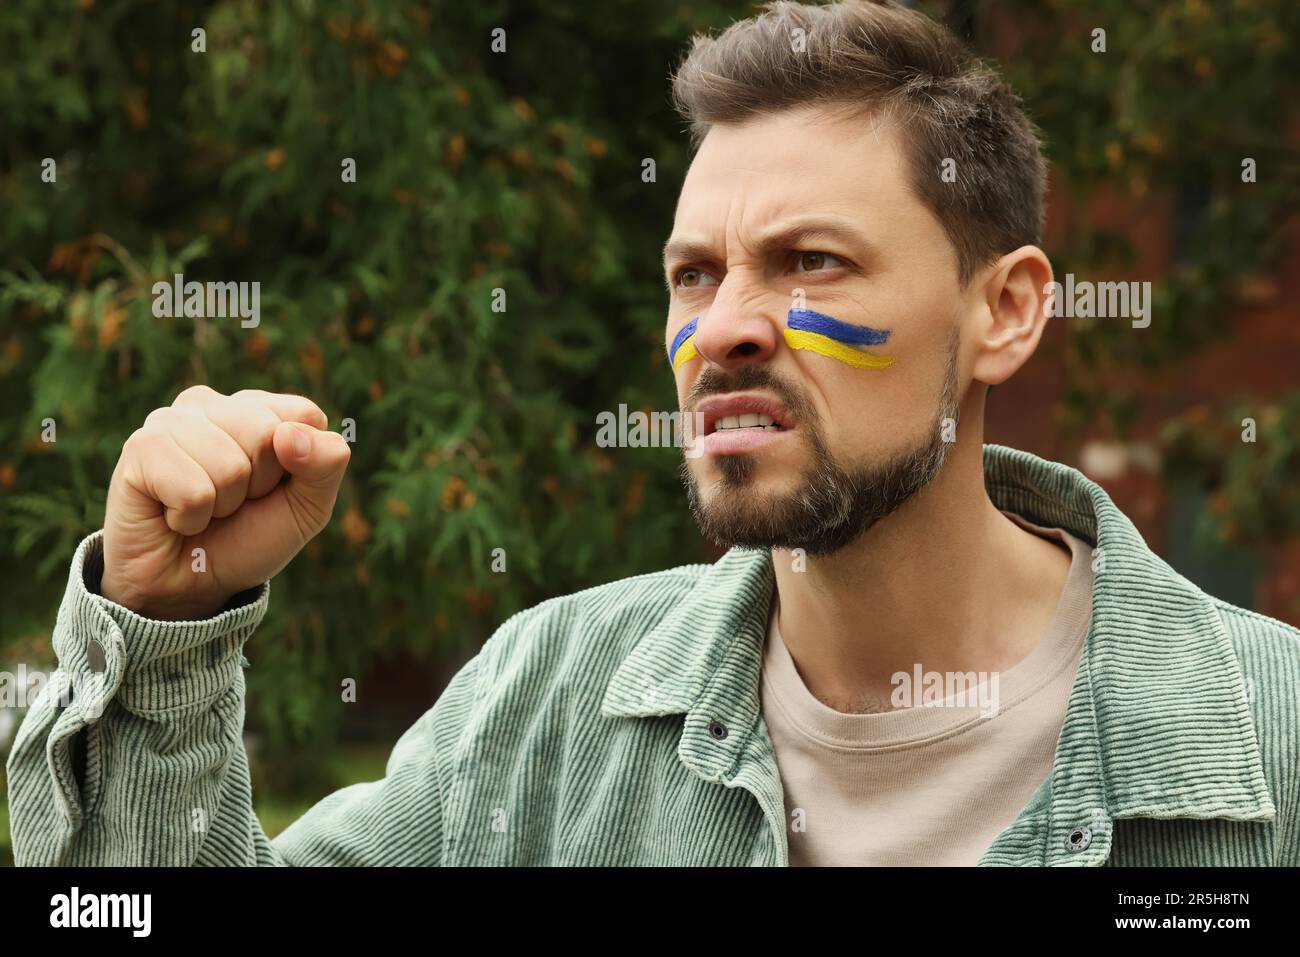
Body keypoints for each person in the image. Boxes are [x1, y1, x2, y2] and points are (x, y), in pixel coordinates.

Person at [9, 0, 1297, 866]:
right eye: (694, 275)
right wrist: (162, 632)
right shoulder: (551, 707)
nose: (728, 328)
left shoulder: (1270, 740)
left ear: (1006, 310)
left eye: (813, 264)